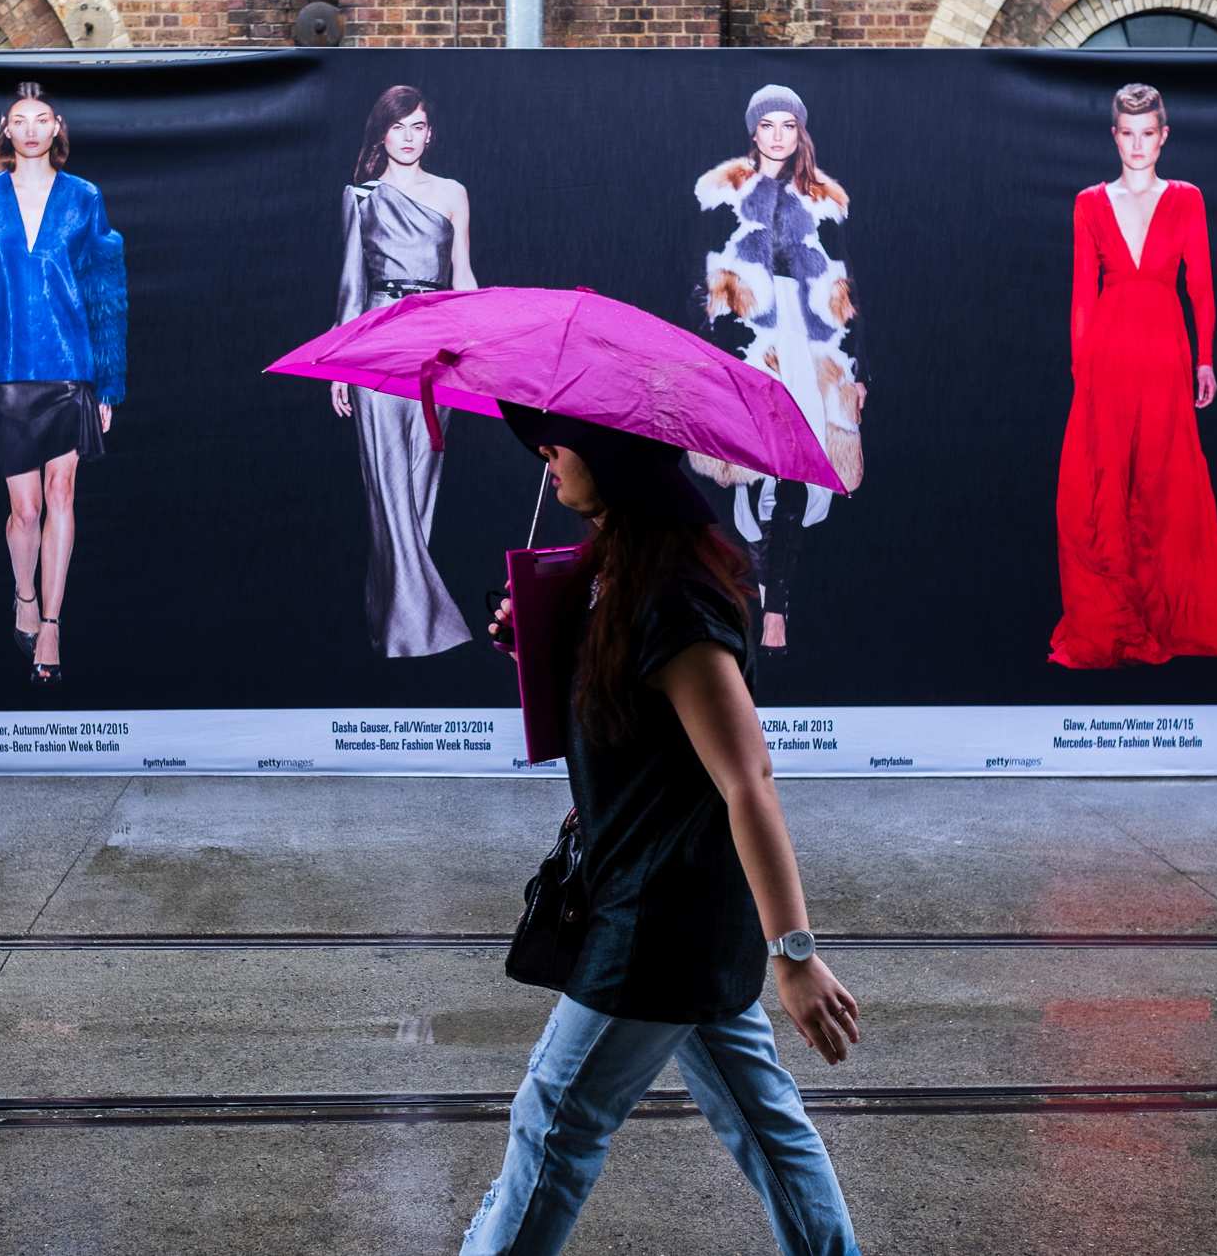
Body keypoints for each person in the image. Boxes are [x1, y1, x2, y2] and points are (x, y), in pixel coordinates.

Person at [462, 403, 862, 1256]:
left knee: (552, 1120)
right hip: (680, 912)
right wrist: (539, 644)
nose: (546, 456)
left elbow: (747, 777)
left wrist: (795, 956)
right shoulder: (620, 568)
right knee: (765, 1122)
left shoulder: (674, 595)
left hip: (657, 921)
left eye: (561, 442)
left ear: (612, 456)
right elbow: (634, 723)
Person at [0, 81, 128, 686]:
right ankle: (24, 594)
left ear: (57, 126)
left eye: (42, 119)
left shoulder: (84, 197)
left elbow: (105, 291)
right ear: (6, 129)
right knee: (25, 508)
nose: (33, 129)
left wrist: (109, 381)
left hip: (71, 365)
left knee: (63, 494)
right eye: (21, 119)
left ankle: (52, 624)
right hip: (4, 365)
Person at [1050, 82, 1217, 669]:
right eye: (1128, 133)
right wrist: (1081, 372)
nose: (1137, 144)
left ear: (1163, 136)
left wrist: (1205, 358)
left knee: (1163, 483)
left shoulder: (1187, 199)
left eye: (1147, 133)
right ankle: (1111, 616)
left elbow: (1200, 285)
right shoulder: (1089, 202)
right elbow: (1081, 294)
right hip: (1106, 358)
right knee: (1102, 485)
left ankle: (1166, 617)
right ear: (1114, 136)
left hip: (1164, 356)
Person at [693, 84, 865, 659]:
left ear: (800, 133)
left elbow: (846, 286)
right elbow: (707, 280)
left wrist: (858, 369)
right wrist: (712, 355)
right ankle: (763, 588)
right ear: (753, 131)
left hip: (809, 348)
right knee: (754, 470)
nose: (777, 136)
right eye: (767, 125)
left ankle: (775, 611)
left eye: (787, 125)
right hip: (748, 345)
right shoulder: (724, 193)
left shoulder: (825, 200)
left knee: (796, 464)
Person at [328, 85, 477, 658]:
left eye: (418, 126)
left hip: (437, 343)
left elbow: (463, 275)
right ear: (382, 133)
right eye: (399, 126)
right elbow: (350, 284)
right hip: (377, 339)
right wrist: (339, 364)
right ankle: (413, 629)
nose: (409, 137)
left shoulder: (453, 193)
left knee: (420, 482)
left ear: (430, 133)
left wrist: (479, 341)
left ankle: (396, 617)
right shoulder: (360, 197)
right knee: (386, 485)